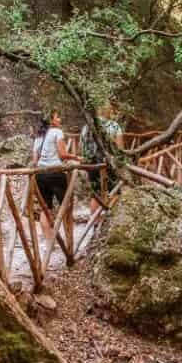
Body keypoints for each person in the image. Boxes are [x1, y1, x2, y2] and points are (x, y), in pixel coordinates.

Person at [31, 110, 80, 253]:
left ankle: (49, 244)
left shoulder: (39, 136)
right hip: (56, 174)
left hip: (40, 175)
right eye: (58, 116)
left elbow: (35, 160)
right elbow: (63, 155)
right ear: (51, 119)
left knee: (45, 209)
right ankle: (70, 242)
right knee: (66, 206)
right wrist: (76, 158)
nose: (60, 118)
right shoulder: (57, 132)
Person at [79, 106, 123, 209]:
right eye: (111, 110)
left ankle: (95, 223)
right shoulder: (114, 126)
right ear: (107, 111)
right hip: (109, 164)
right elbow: (120, 148)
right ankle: (109, 219)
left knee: (95, 195)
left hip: (92, 165)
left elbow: (81, 147)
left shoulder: (86, 127)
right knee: (115, 191)